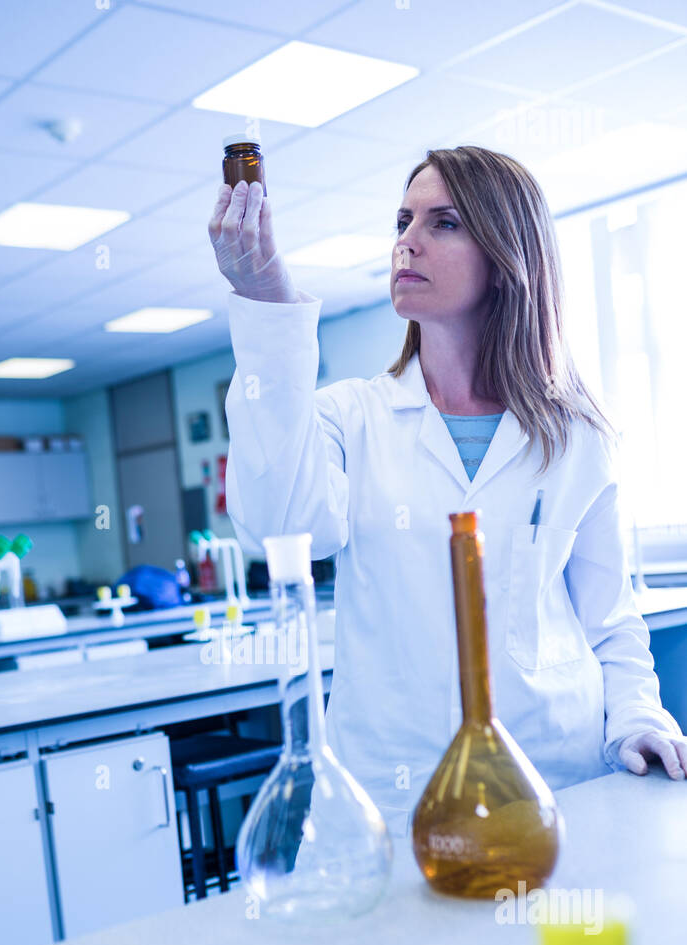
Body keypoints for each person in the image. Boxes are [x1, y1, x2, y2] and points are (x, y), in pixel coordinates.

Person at [208, 145, 686, 838]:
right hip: (395, 799)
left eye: (444, 222)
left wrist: (638, 720)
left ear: (507, 257)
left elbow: (609, 624)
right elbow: (283, 529)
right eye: (403, 220)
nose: (407, 241)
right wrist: (264, 298)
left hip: (559, 782)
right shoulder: (351, 418)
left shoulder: (577, 436)